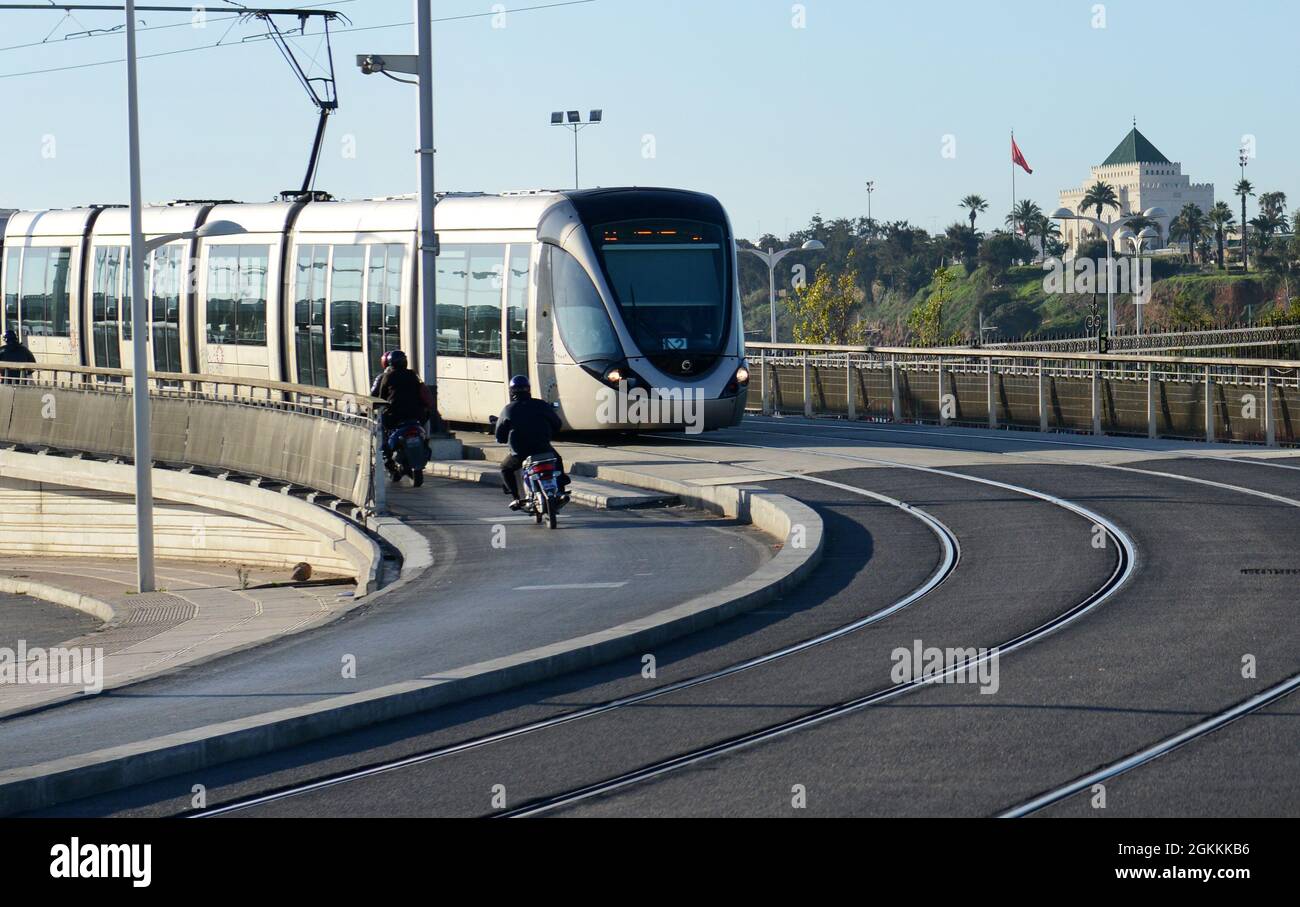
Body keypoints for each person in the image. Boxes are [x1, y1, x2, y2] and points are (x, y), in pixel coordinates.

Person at [494, 375, 569, 509]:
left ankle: (516, 498)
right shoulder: (541, 405)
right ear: (528, 389)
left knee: (505, 468)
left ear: (512, 391)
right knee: (557, 460)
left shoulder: (508, 410)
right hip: (543, 448)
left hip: (520, 453)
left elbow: (500, 435)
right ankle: (561, 491)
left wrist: (503, 438)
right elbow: (557, 424)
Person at [373, 350, 427, 465]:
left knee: (381, 428)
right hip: (416, 414)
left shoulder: (387, 376)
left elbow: (381, 397)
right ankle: (424, 444)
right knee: (422, 429)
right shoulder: (412, 374)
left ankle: (385, 453)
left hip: (395, 415)